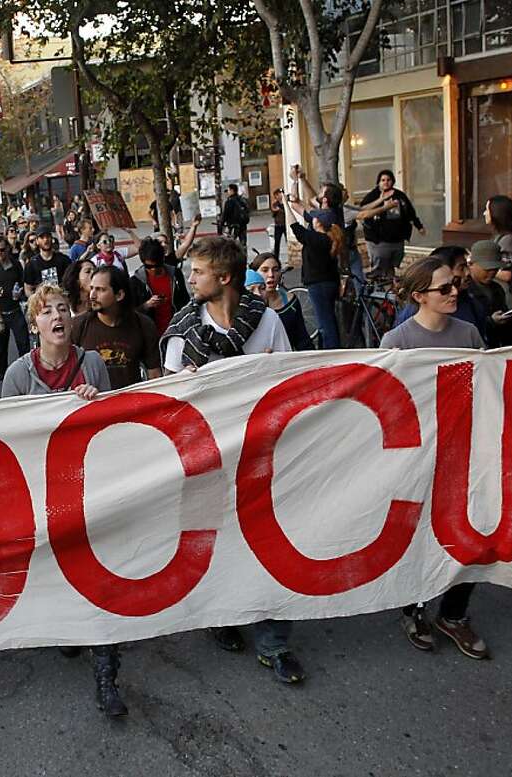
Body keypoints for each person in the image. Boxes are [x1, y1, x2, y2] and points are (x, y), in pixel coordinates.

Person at [159, 237, 299, 680]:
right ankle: (221, 618)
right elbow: (170, 406)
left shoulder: (267, 321)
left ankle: (274, 642)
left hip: (261, 456)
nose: (190, 279)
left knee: (270, 544)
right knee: (214, 544)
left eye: (197, 272)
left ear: (224, 279)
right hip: (206, 460)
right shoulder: (183, 331)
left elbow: (288, 384)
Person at [0, 284, 122, 715]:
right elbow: (6, 439)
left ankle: (106, 672)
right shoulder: (17, 375)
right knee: (57, 570)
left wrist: (95, 404)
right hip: (41, 494)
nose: (57, 316)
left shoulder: (91, 364)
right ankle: (69, 632)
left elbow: (110, 427)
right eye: (46, 311)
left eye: (63, 309)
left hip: (88, 489)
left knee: (95, 574)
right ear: (34, 324)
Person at [379, 259, 489, 660]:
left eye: (455, 284)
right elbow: (389, 408)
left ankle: (454, 615)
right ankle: (415, 609)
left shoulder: (469, 333)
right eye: (443, 289)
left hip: (467, 452)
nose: (455, 292)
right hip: (420, 459)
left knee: (471, 534)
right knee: (421, 537)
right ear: (418, 296)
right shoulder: (397, 342)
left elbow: (489, 388)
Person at [71, 265, 162, 389]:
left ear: (119, 295)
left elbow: (155, 375)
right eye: (92, 288)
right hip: (92, 403)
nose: (92, 295)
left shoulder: (143, 325)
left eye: (100, 290)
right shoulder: (78, 325)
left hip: (131, 402)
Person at [284, 191, 343, 349]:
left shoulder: (317, 239)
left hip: (319, 285)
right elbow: (303, 216)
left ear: (319, 223)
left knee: (325, 322)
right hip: (330, 283)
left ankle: (332, 353)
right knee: (329, 318)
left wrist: (285, 204)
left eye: (315, 217)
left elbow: (295, 226)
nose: (313, 218)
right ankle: (328, 349)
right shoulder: (329, 239)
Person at [392, 245, 487, 341]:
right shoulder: (400, 335)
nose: (467, 273)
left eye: (454, 284)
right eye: (444, 288)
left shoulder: (470, 325)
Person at [357, 170, 425, 279]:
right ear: (378, 182)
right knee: (379, 269)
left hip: (397, 238)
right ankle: (378, 289)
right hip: (378, 240)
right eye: (383, 180)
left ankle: (389, 289)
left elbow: (410, 212)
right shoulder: (373, 195)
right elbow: (362, 210)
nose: (386, 182)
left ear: (393, 181)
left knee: (390, 268)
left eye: (388, 180)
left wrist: (419, 226)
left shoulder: (399, 195)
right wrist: (381, 201)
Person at [485, 195, 512, 346]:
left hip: (508, 297)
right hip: (501, 295)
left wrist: (484, 267)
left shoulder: (508, 240)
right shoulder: (499, 237)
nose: (484, 213)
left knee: (506, 341)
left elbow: (507, 273)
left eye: (487, 210)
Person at [0, 236, 28, 376]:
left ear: (8, 249)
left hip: (15, 311)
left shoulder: (16, 265)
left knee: (23, 344)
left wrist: (19, 292)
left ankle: (25, 371)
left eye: (2, 250)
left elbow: (23, 284)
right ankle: (2, 375)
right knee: (0, 348)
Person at [252, 253, 313, 351]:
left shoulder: (290, 302)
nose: (271, 275)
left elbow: (302, 339)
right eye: (265, 270)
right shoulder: (246, 304)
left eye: (275, 270)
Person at [130, 236, 190, 337]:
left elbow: (185, 301)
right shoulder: (136, 282)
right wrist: (146, 305)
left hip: (176, 332)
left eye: (157, 265)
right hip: (151, 336)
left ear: (163, 259)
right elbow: (129, 314)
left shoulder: (175, 274)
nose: (153, 270)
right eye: (149, 266)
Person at [462, 241, 512, 348]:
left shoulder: (497, 288)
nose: (491, 273)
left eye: (495, 269)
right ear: (471, 265)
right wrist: (490, 322)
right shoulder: (463, 290)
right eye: (487, 269)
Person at [23, 228, 72, 296]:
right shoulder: (31, 264)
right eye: (42, 237)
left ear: (52, 239)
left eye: (47, 237)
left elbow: (72, 281)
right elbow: (28, 289)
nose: (45, 239)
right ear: (37, 241)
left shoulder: (64, 260)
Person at [270, 189, 287, 259]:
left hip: (286, 225)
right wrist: (274, 210)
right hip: (278, 225)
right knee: (277, 242)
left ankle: (289, 257)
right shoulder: (275, 204)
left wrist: (280, 209)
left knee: (288, 241)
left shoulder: (285, 202)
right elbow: (273, 215)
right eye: (275, 196)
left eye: (278, 195)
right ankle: (276, 258)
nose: (277, 197)